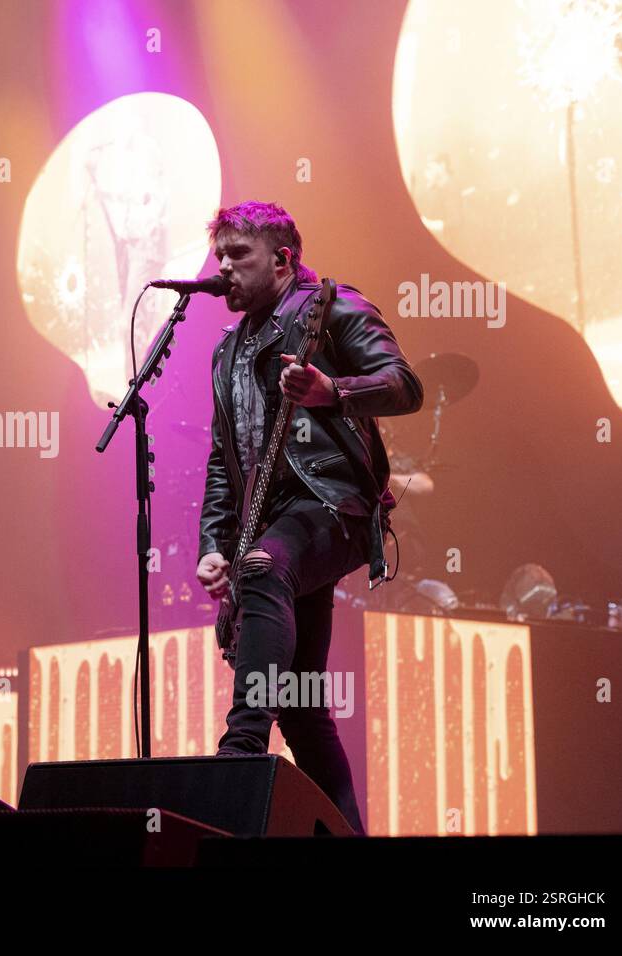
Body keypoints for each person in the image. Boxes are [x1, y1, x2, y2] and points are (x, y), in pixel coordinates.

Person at [195, 201, 423, 833]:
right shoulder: (228, 352)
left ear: (283, 258)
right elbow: (223, 458)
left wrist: (334, 392)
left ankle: (240, 748)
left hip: (336, 503)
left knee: (267, 566)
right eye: (219, 256)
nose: (224, 269)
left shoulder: (331, 305)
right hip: (274, 522)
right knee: (300, 706)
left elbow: (406, 385)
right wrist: (213, 545)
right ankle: (348, 834)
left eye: (239, 255)